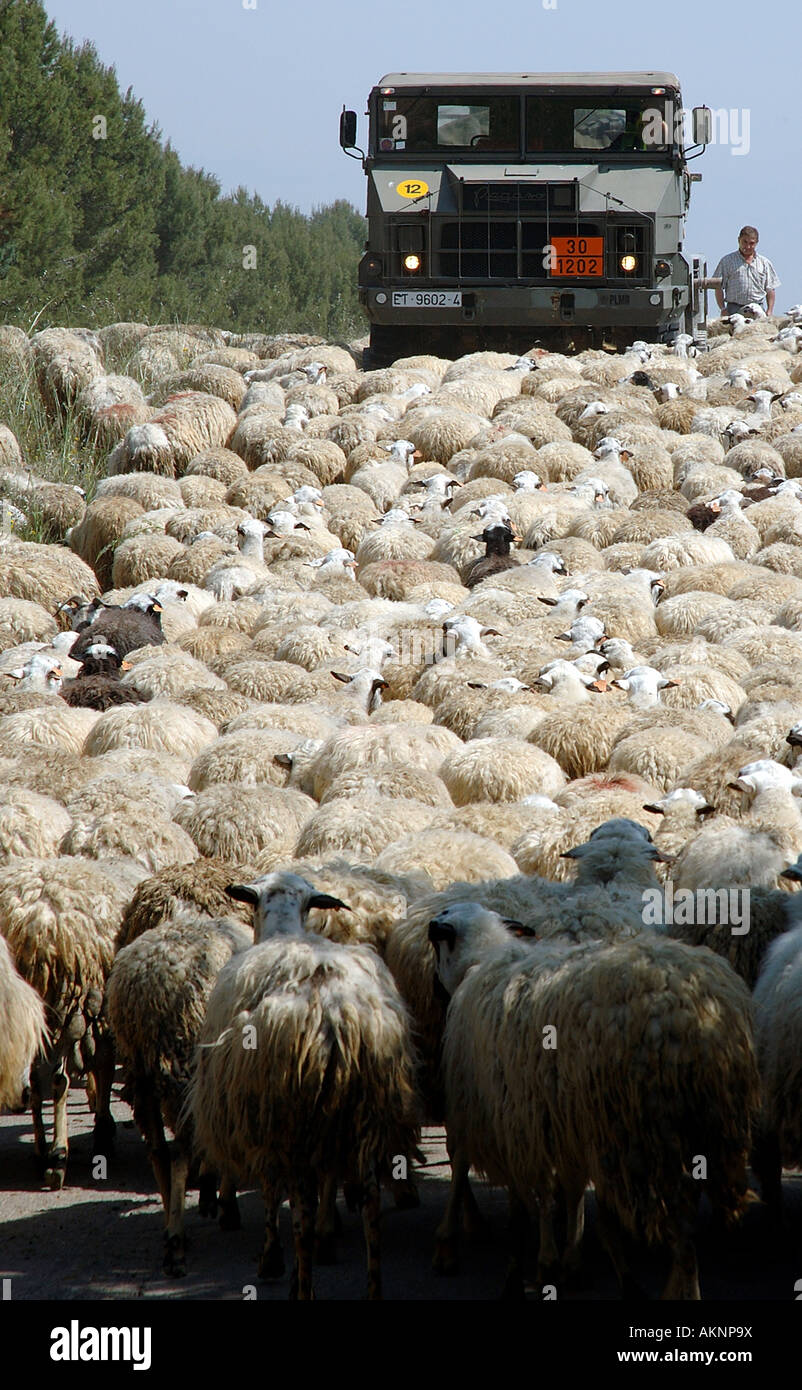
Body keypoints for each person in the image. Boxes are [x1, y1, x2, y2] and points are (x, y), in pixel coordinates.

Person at [713, 227, 780, 316]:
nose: (748, 246)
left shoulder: (764, 263)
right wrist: (723, 308)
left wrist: (769, 310)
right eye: (744, 242)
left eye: (751, 243)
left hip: (757, 310)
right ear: (738, 240)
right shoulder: (727, 261)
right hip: (734, 310)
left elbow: (770, 289)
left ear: (756, 243)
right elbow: (718, 287)